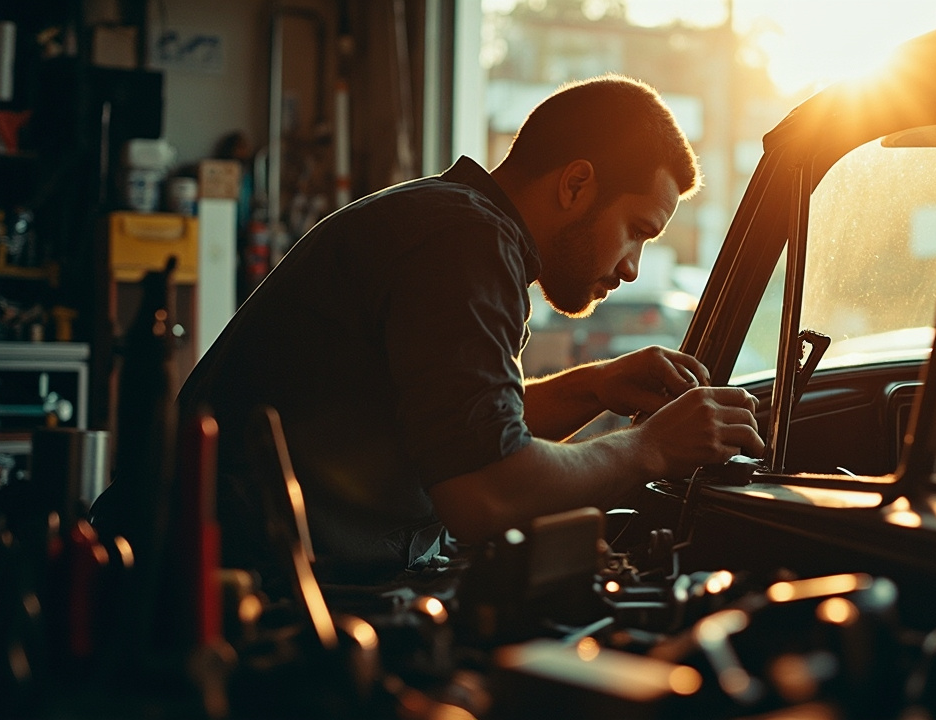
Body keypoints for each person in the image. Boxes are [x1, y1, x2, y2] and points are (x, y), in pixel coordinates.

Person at [175, 74, 764, 582]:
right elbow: (486, 491)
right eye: (636, 230)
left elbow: (456, 425)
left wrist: (593, 388)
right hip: (233, 597)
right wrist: (650, 448)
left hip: (239, 572)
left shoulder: (451, 220)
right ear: (576, 184)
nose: (632, 267)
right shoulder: (466, 242)